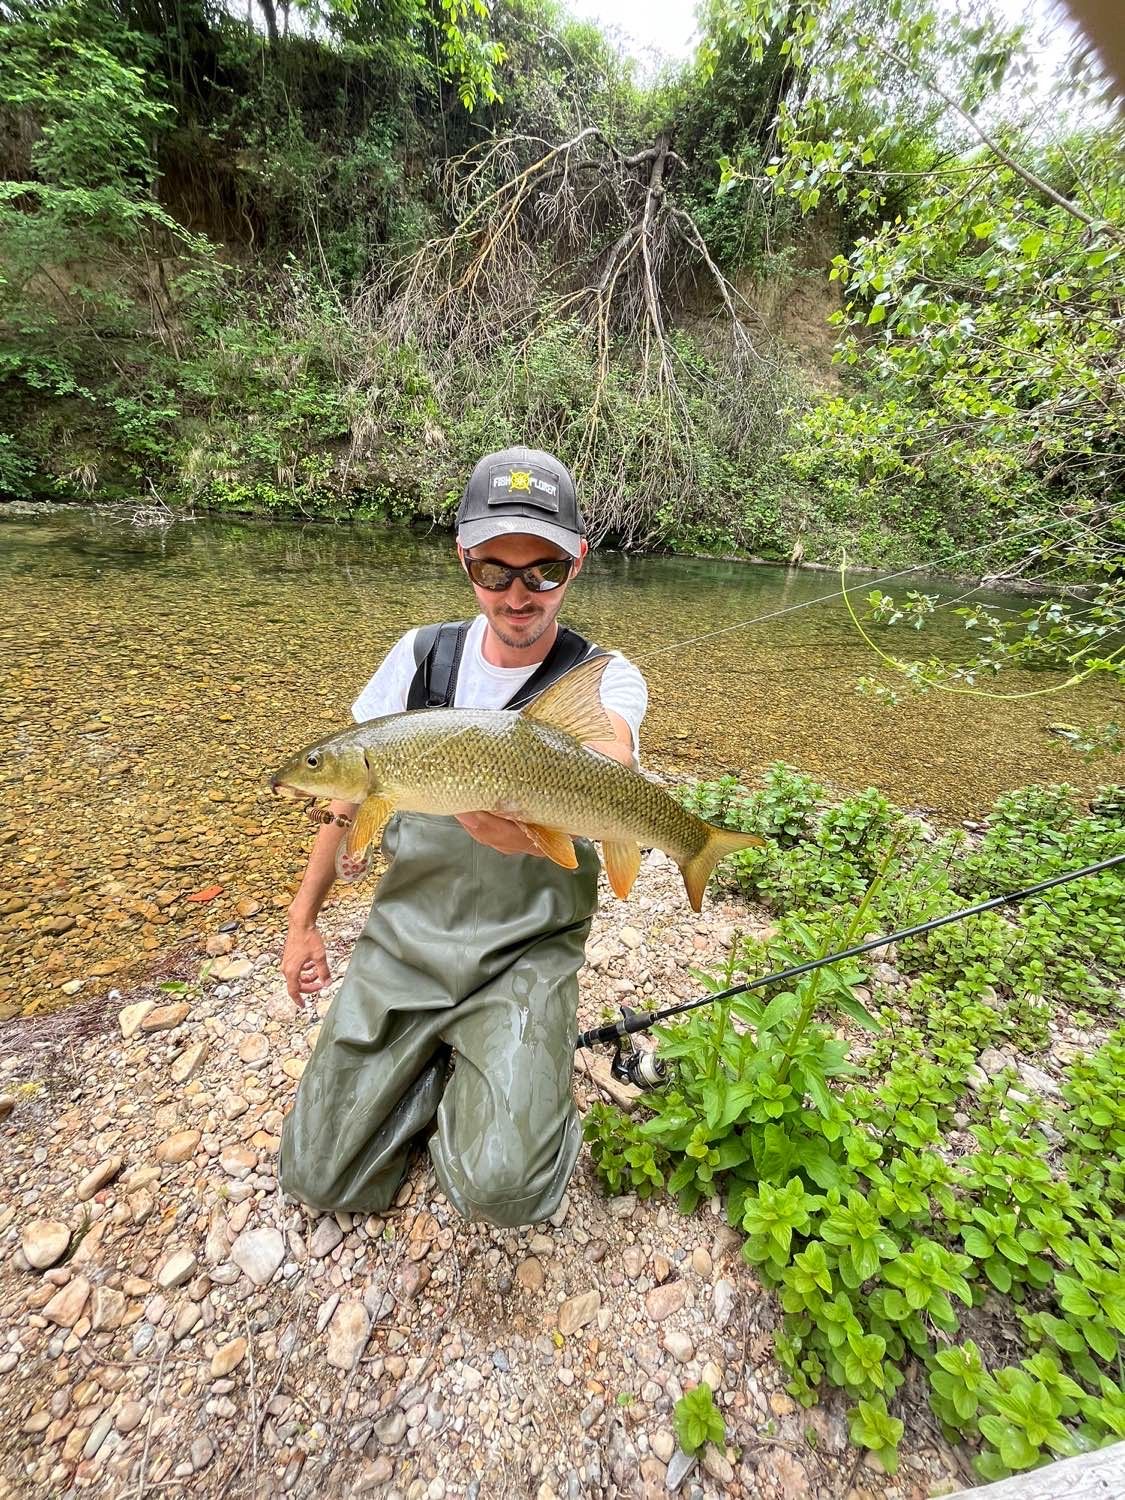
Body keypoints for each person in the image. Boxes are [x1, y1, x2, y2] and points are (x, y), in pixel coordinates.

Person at [277, 446, 647, 1227]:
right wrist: (302, 920)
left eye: (542, 570)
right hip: (406, 945)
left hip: (525, 950)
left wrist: (544, 822)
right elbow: (344, 805)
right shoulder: (418, 658)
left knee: (501, 1190)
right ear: (465, 561)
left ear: (576, 562)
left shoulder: (605, 675)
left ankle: (505, 1070)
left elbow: (611, 756)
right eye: (495, 570)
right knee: (316, 1175)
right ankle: (452, 1068)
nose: (519, 594)